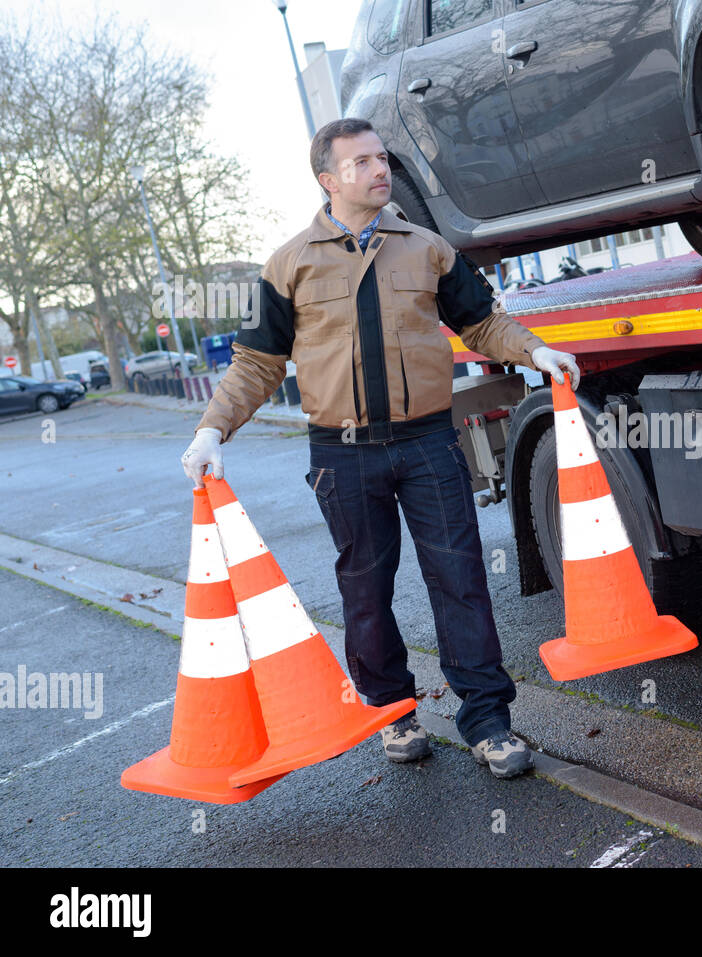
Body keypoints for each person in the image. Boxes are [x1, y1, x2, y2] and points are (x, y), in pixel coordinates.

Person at [180, 117, 580, 778]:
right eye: (361, 161)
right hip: (343, 455)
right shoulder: (289, 264)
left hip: (428, 443)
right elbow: (255, 365)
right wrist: (211, 429)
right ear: (328, 178)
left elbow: (480, 322)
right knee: (366, 593)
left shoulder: (427, 249)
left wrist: (534, 350)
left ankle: (486, 720)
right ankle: (392, 711)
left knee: (462, 581)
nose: (378, 169)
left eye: (381, 157)